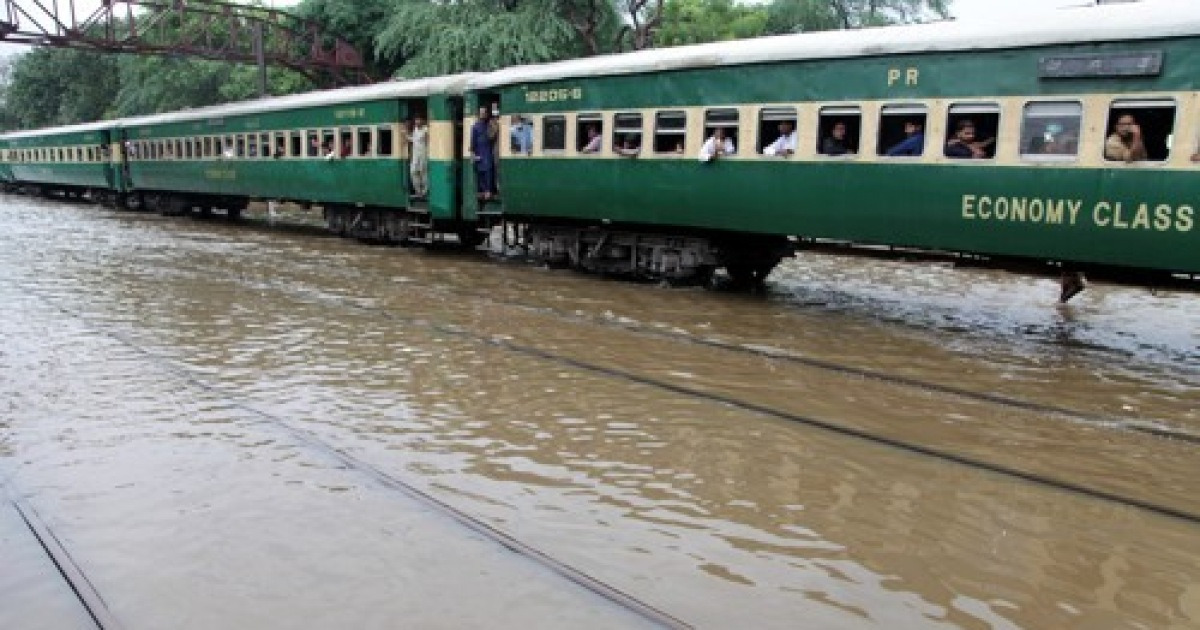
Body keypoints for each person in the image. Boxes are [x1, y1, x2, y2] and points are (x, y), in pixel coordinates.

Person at [470, 106, 497, 200]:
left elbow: (492, 137)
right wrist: (473, 154)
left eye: (484, 112)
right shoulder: (475, 126)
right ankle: (484, 191)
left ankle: (488, 191)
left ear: (486, 114)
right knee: (481, 172)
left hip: (488, 150)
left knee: (489, 170)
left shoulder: (489, 124)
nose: (482, 114)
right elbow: (473, 141)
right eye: (481, 112)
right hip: (479, 151)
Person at [410, 116, 429, 199]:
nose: (417, 122)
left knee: (423, 173)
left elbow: (424, 140)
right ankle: (418, 191)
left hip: (423, 154)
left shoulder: (425, 129)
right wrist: (406, 136)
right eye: (416, 120)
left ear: (422, 121)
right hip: (415, 154)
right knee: (413, 172)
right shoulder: (415, 129)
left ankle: (425, 191)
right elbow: (414, 140)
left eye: (418, 120)